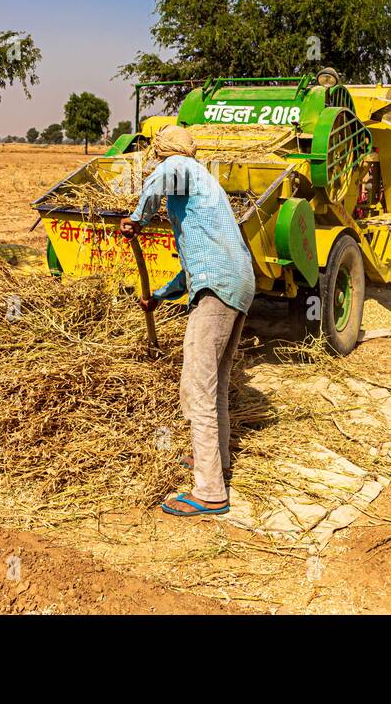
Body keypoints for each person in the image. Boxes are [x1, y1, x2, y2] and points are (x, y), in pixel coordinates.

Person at [119, 125, 255, 517]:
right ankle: (216, 463)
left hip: (217, 288)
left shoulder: (182, 168)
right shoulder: (205, 192)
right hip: (237, 284)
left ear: (163, 154)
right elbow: (196, 265)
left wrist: (137, 218)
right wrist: (159, 296)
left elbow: (163, 177)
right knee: (216, 384)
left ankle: (210, 492)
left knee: (198, 387)